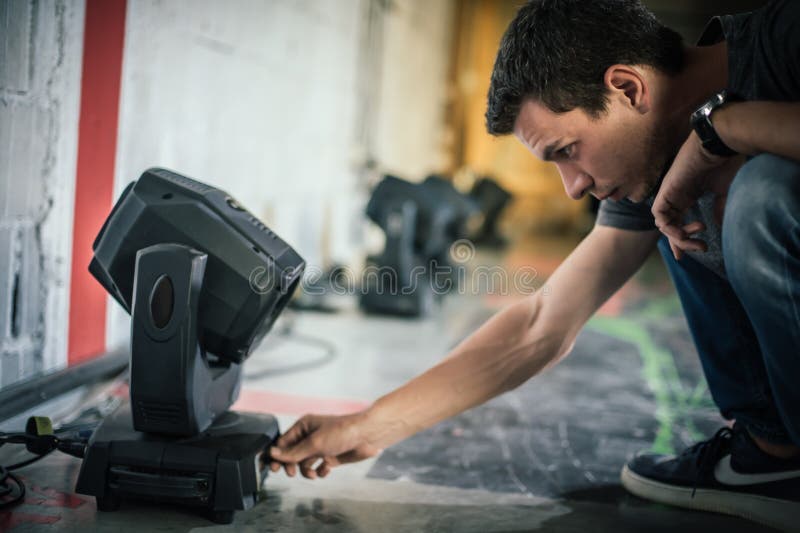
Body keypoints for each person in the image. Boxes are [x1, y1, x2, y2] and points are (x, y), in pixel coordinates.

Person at [269, 0, 800, 527]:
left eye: (567, 150)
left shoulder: (784, 41)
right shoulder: (649, 151)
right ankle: (767, 455)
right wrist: (371, 425)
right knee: (677, 197)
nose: (572, 189)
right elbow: (542, 323)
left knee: (762, 193)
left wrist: (727, 129)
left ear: (628, 88)